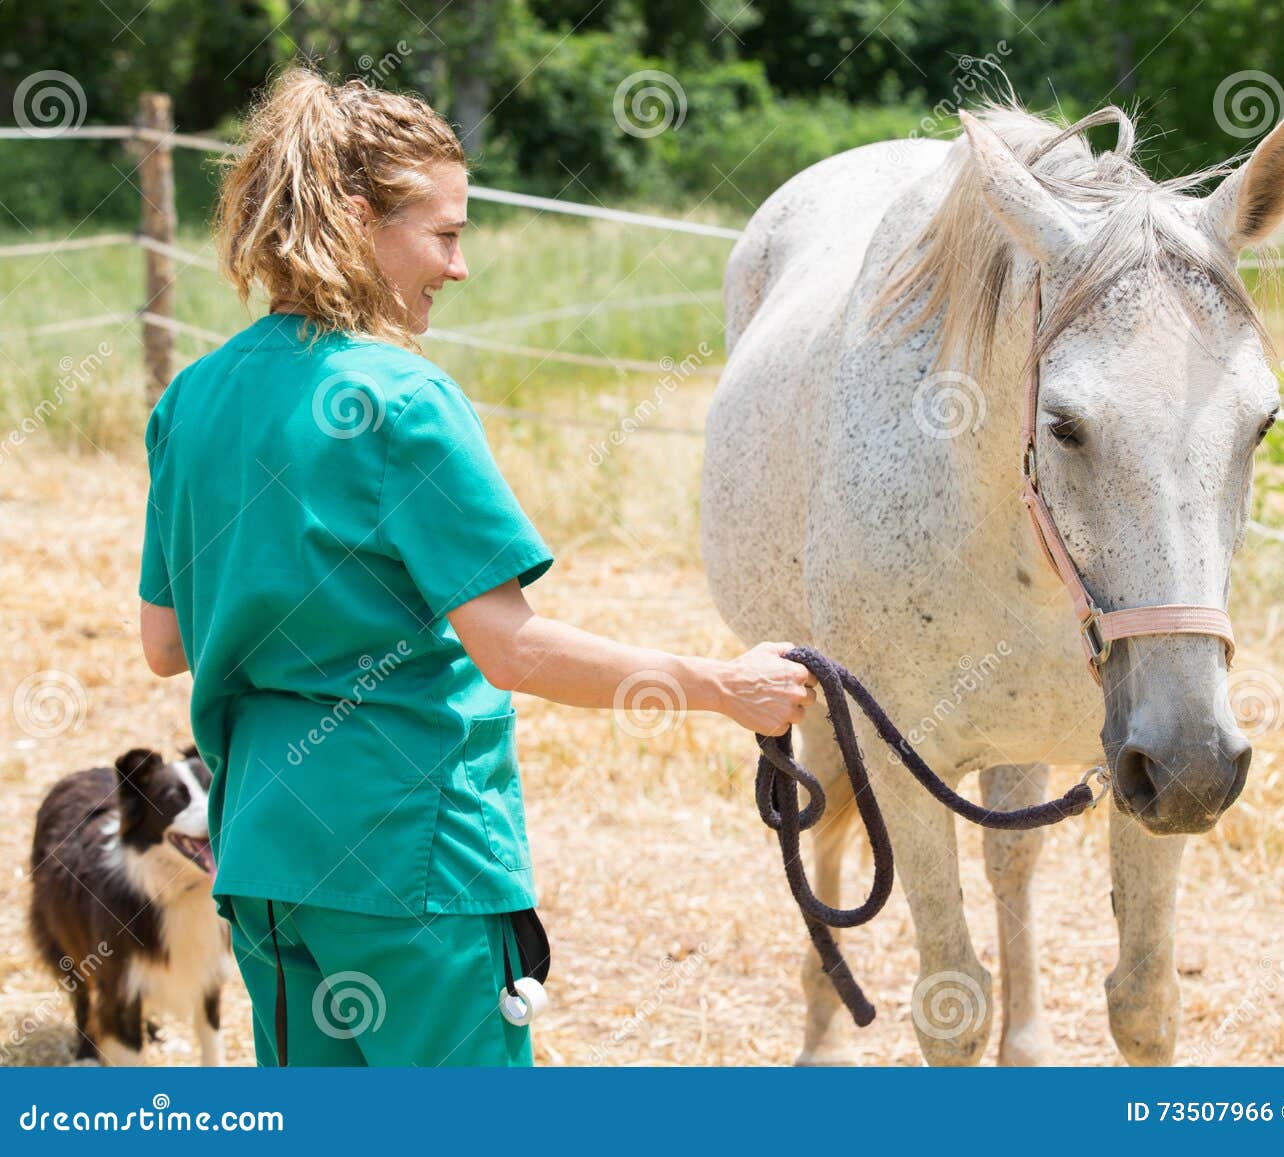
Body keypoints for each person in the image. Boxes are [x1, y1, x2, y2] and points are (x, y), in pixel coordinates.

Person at [137, 66, 815, 1068]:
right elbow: (512, 648)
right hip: (412, 853)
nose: (458, 268)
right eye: (444, 236)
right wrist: (724, 687)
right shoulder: (406, 400)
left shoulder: (191, 398)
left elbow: (164, 644)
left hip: (268, 850)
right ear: (357, 220)